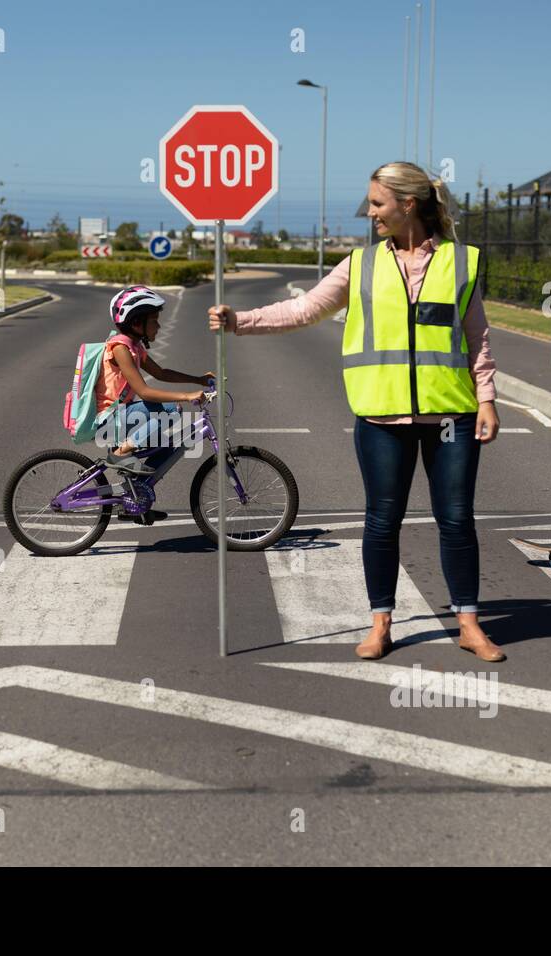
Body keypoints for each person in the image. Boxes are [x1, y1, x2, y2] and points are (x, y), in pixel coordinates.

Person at [209, 161, 506, 662]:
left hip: (450, 418)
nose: (370, 213)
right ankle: (381, 624)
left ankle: (469, 625)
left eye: (377, 204)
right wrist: (241, 320)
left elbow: (477, 337)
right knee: (382, 521)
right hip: (380, 417)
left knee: (456, 520)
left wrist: (488, 399)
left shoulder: (463, 262)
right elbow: (304, 309)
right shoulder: (361, 265)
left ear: (407, 204)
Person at [99, 286, 212, 516]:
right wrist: (186, 396)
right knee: (171, 410)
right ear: (136, 322)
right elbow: (145, 392)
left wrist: (198, 380)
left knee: (169, 448)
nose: (158, 326)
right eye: (154, 320)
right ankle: (121, 453)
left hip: (125, 415)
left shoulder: (134, 346)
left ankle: (134, 496)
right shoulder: (120, 348)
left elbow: (161, 373)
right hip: (110, 418)